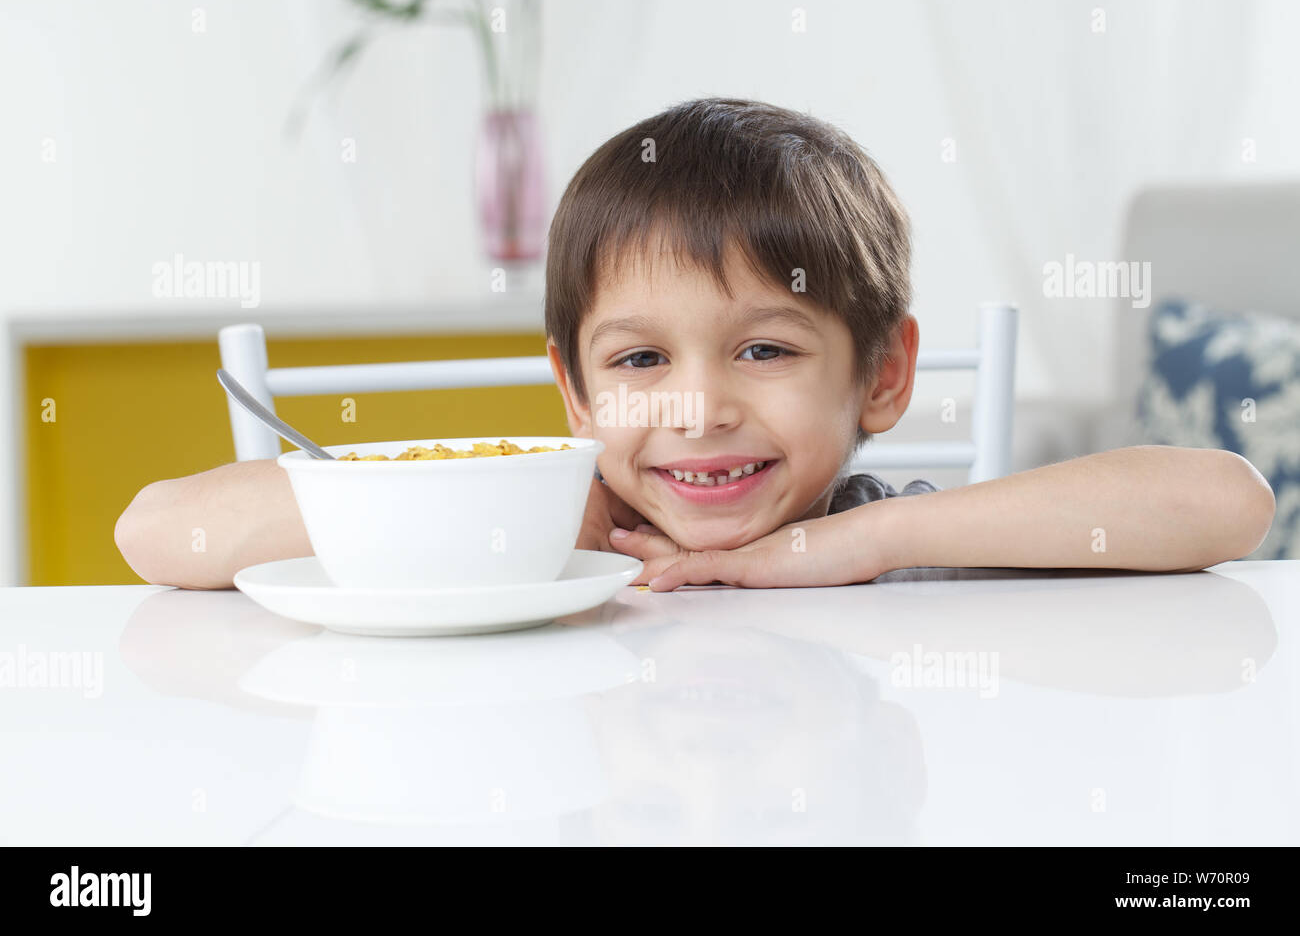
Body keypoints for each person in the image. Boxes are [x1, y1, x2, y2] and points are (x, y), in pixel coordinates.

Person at [114, 98, 1275, 591]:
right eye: (638, 362)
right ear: (573, 394)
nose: (697, 409)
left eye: (764, 351)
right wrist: (487, 501)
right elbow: (156, 531)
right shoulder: (534, 552)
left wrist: (849, 549)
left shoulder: (894, 552)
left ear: (882, 375)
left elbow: (1222, 501)